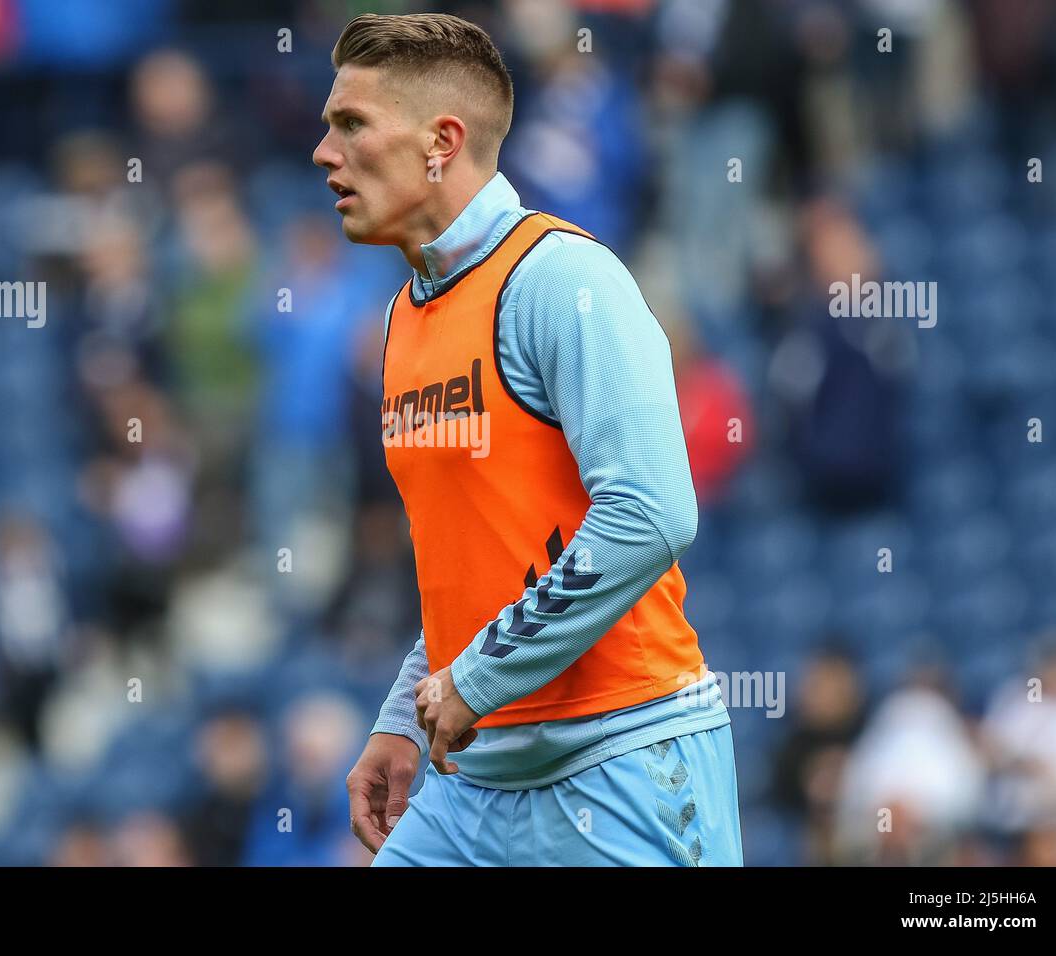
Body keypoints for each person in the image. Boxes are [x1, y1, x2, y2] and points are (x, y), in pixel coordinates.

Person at [313, 13, 742, 866]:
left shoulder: (563, 279)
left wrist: (475, 681)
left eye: (351, 125)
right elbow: (479, 566)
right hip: (473, 786)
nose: (325, 153)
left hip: (621, 763)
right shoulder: (403, 318)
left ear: (443, 141)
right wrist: (405, 718)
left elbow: (651, 515)